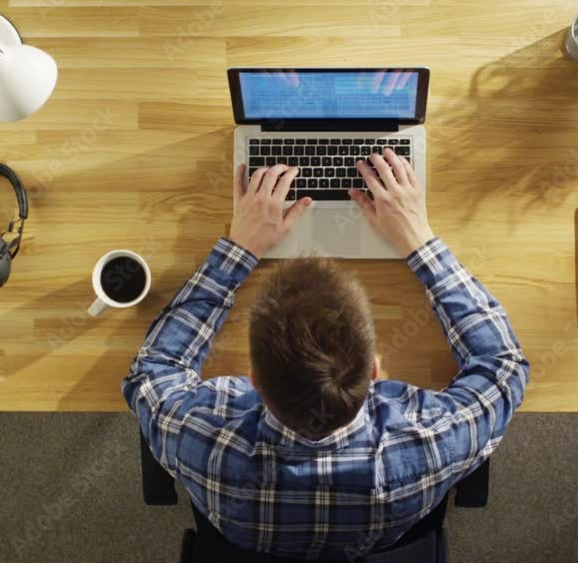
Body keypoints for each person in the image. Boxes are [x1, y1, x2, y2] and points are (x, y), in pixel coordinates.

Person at [123, 149, 530, 560]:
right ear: (373, 372)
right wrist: (419, 240)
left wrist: (239, 249)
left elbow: (153, 372)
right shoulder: (427, 450)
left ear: (255, 380)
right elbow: (503, 367)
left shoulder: (209, 451)